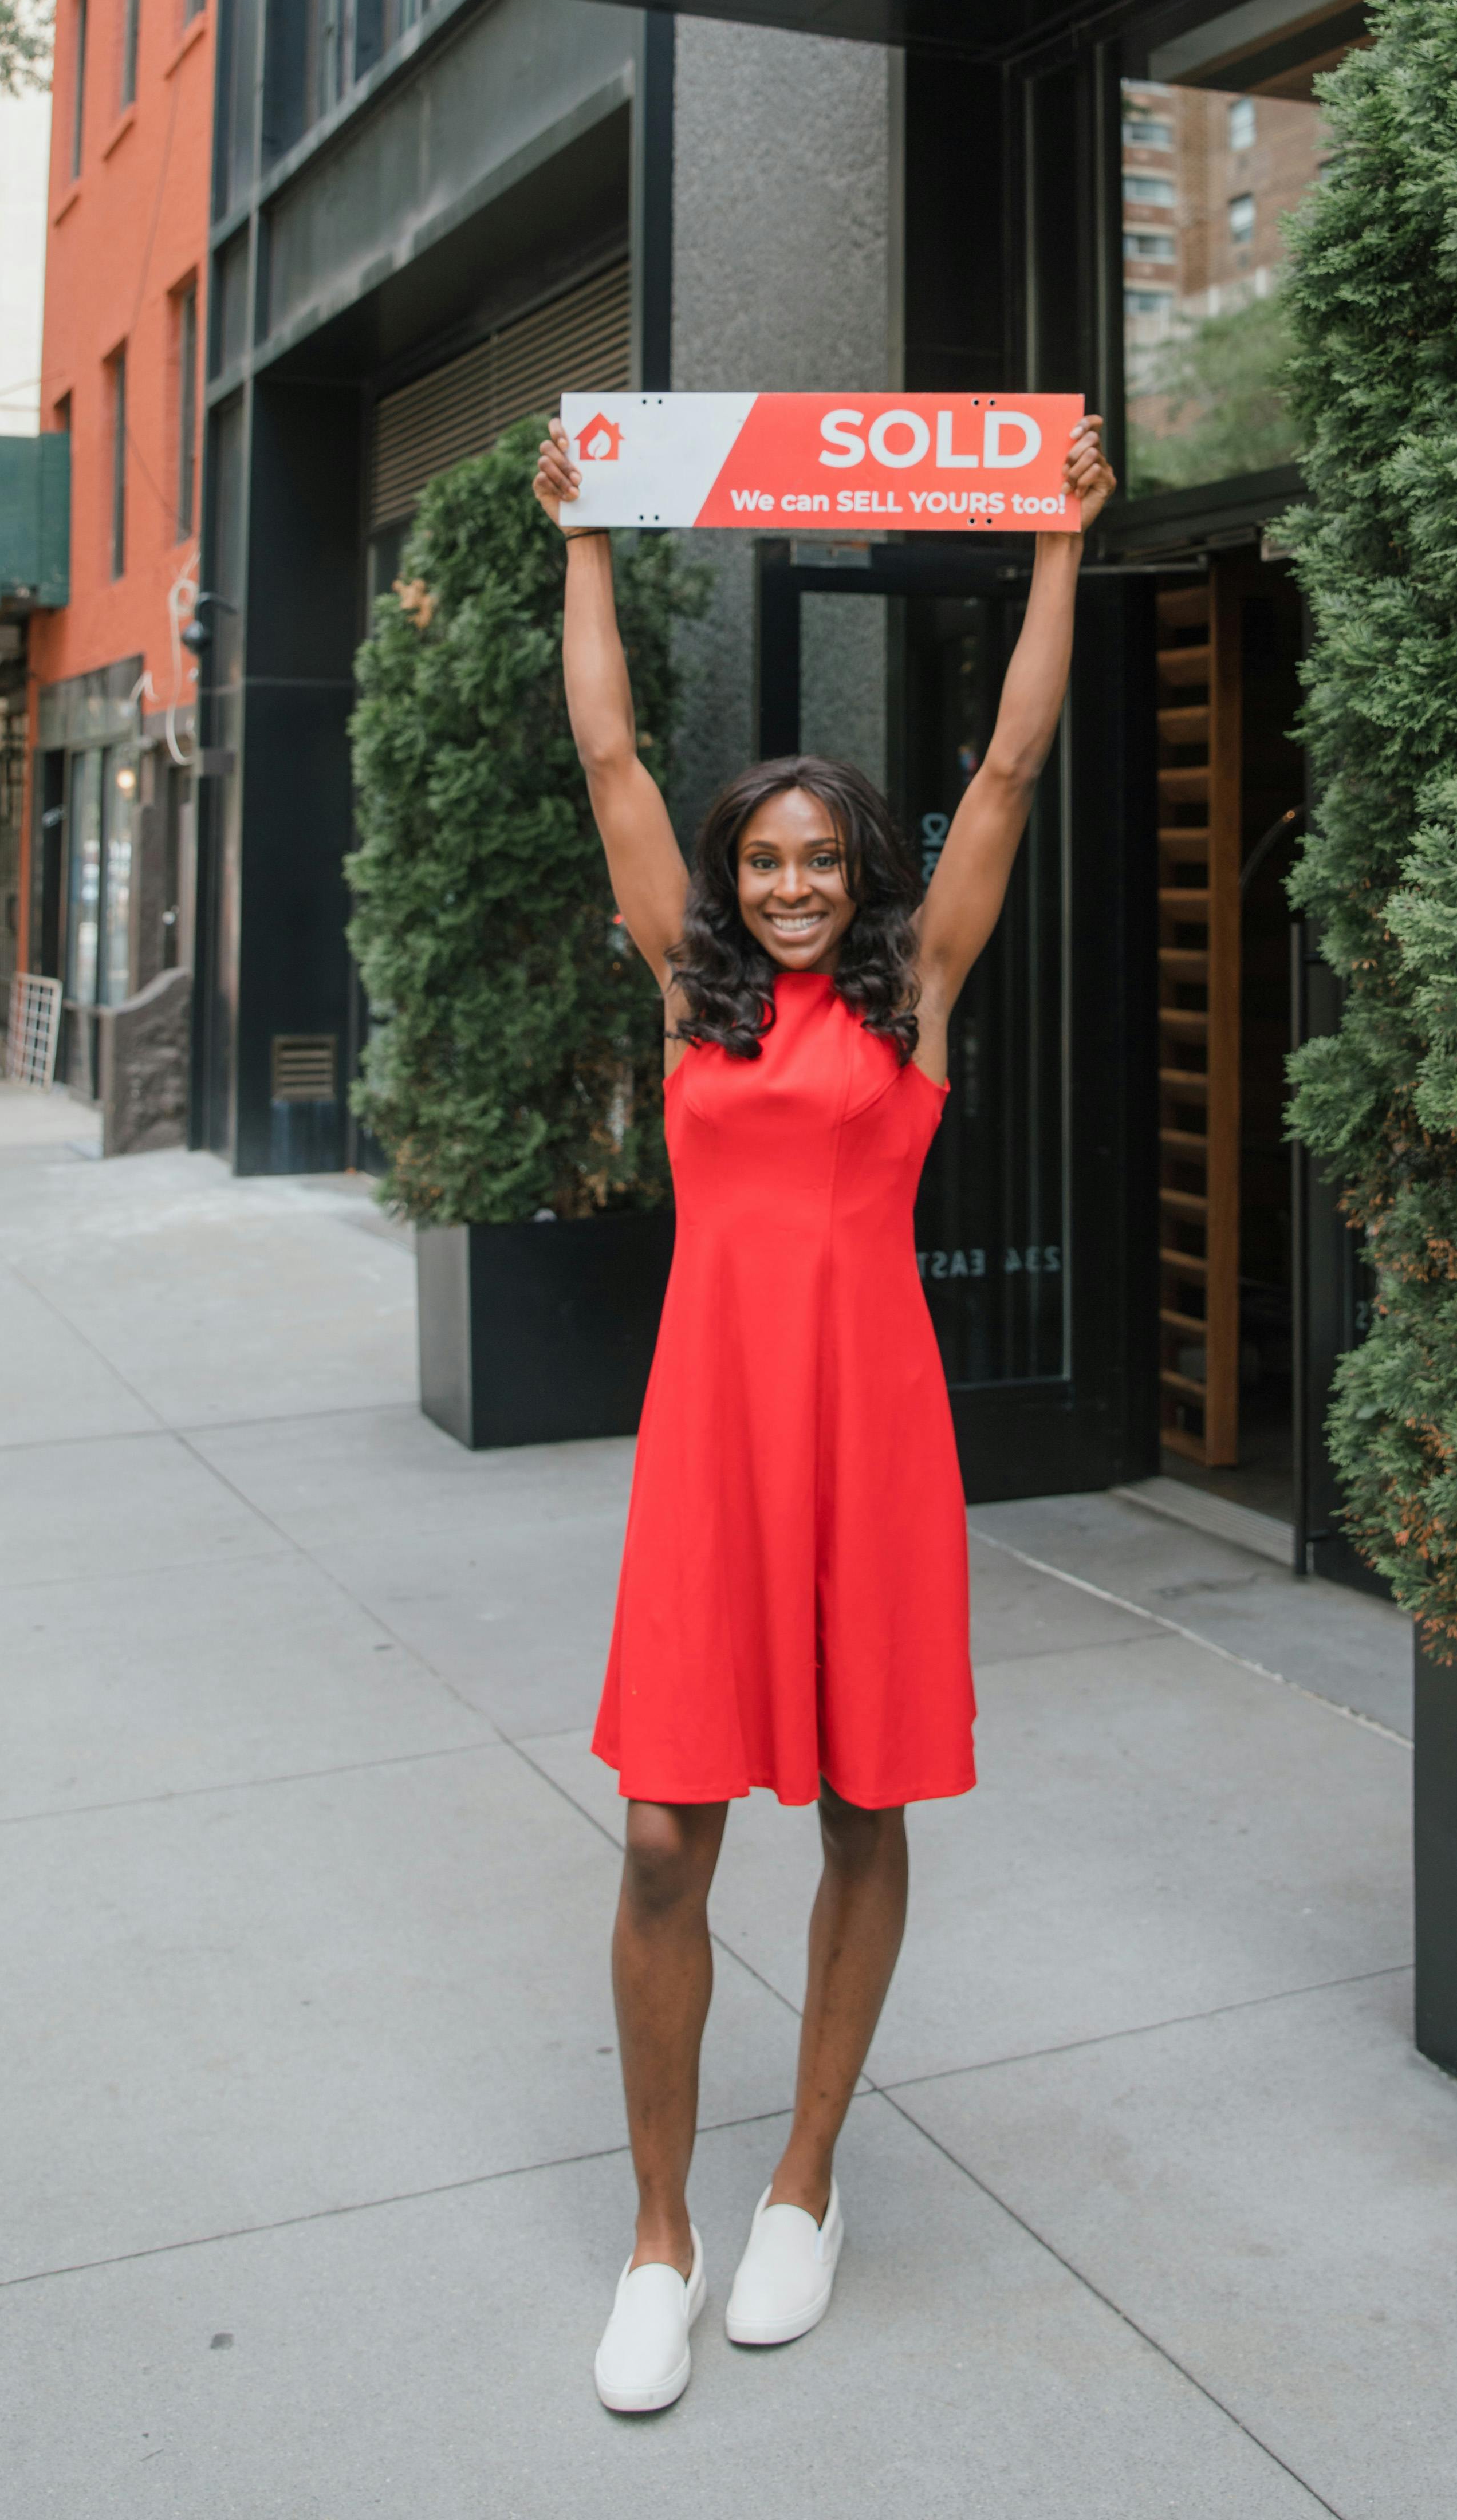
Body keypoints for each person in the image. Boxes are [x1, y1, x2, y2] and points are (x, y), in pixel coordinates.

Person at [535, 402, 1116, 2417]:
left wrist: (1052, 543)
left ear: (860, 873)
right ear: (727, 878)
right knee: (662, 1846)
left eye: (818, 861)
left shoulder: (913, 989)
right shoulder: (687, 980)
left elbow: (1016, 761)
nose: (789, 887)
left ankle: (801, 2182)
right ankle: (658, 2236)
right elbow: (608, 750)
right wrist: (587, 538)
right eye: (760, 861)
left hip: (871, 1440)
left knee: (864, 1808)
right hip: (712, 1445)